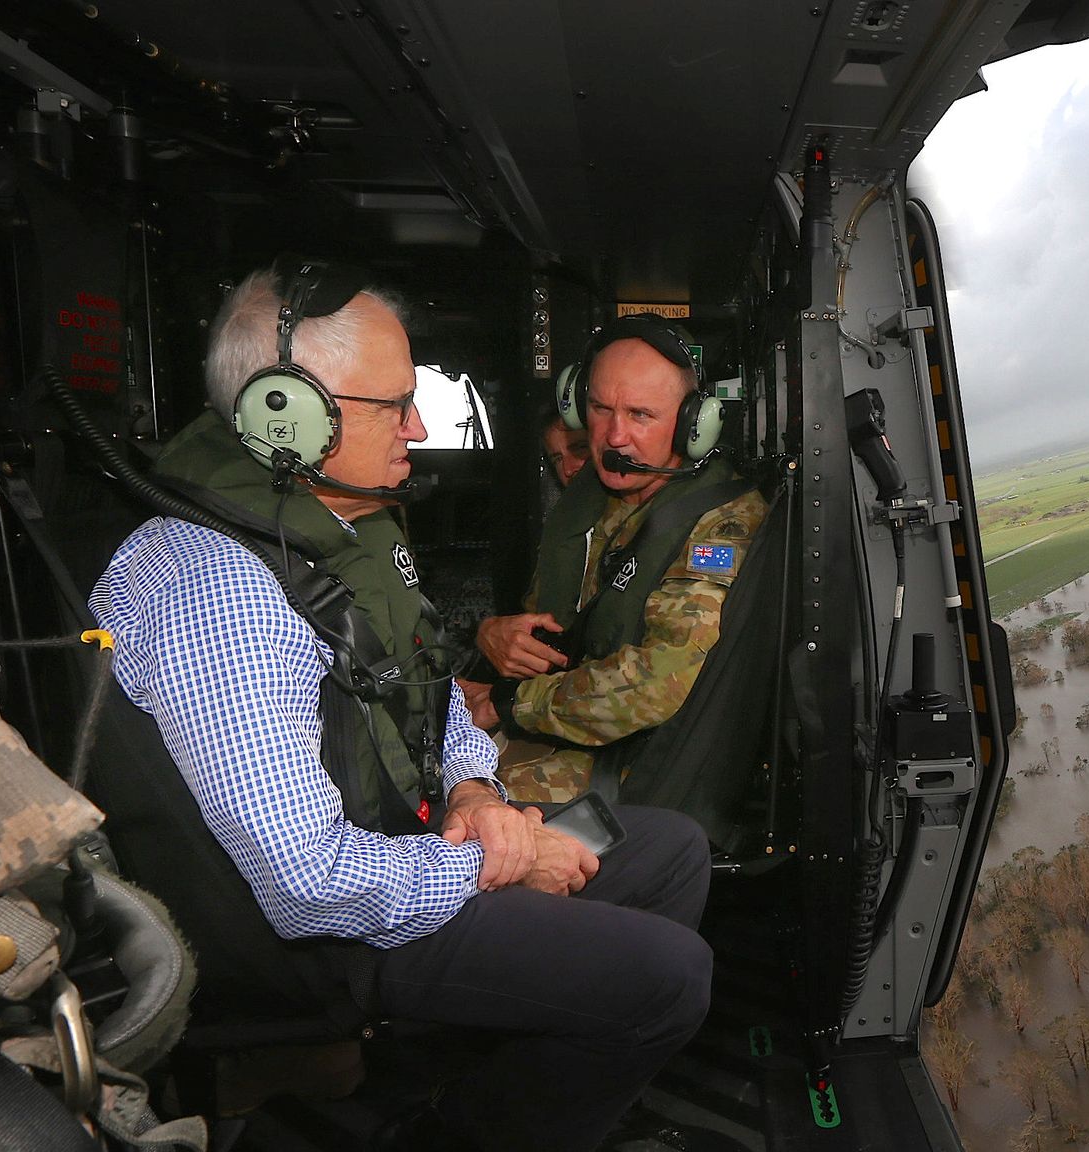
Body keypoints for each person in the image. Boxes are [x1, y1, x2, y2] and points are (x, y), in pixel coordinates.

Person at [87, 264, 711, 1152]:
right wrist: (499, 863)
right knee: (670, 979)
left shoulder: (336, 526)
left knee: (670, 849)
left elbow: (428, 688)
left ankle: (527, 1082)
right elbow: (307, 885)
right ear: (285, 416)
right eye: (395, 406)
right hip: (325, 937)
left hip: (409, 837)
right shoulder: (218, 590)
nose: (417, 428)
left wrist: (475, 793)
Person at [461, 317, 767, 807]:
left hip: (643, 760)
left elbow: (659, 682)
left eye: (641, 414)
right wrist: (494, 639)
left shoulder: (722, 522)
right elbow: (550, 626)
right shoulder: (591, 501)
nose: (615, 436)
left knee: (471, 811)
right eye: (601, 409)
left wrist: (508, 705)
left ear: (693, 424)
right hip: (564, 721)